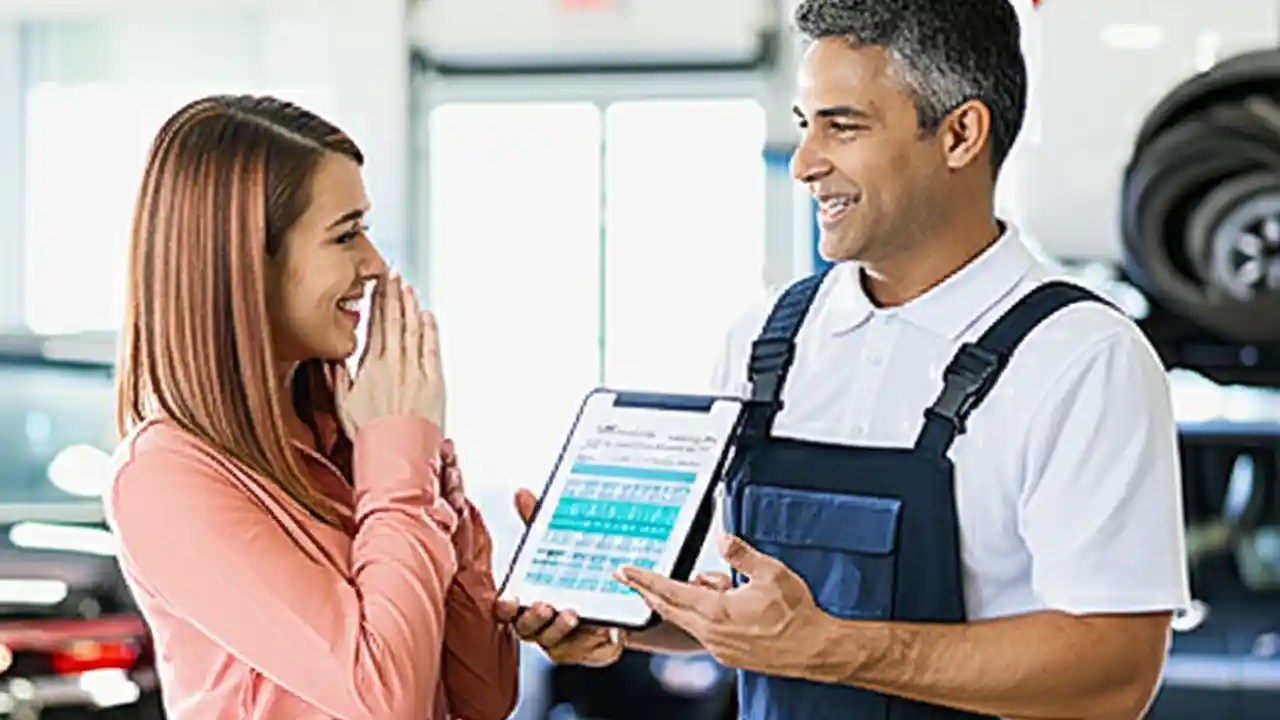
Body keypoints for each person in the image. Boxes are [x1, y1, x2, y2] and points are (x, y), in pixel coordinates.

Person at [498, 1, 1191, 718]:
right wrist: (617, 614)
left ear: (960, 134)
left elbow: (1115, 671)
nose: (804, 164)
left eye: (843, 126)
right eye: (805, 125)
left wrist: (832, 647)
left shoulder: (1082, 358)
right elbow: (735, 607)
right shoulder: (767, 337)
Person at [106, 95, 518, 720]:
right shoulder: (165, 476)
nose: (376, 266)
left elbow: (484, 695)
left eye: (367, 231)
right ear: (249, 262)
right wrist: (400, 468)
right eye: (345, 235)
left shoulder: (348, 437)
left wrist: (432, 484)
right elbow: (385, 699)